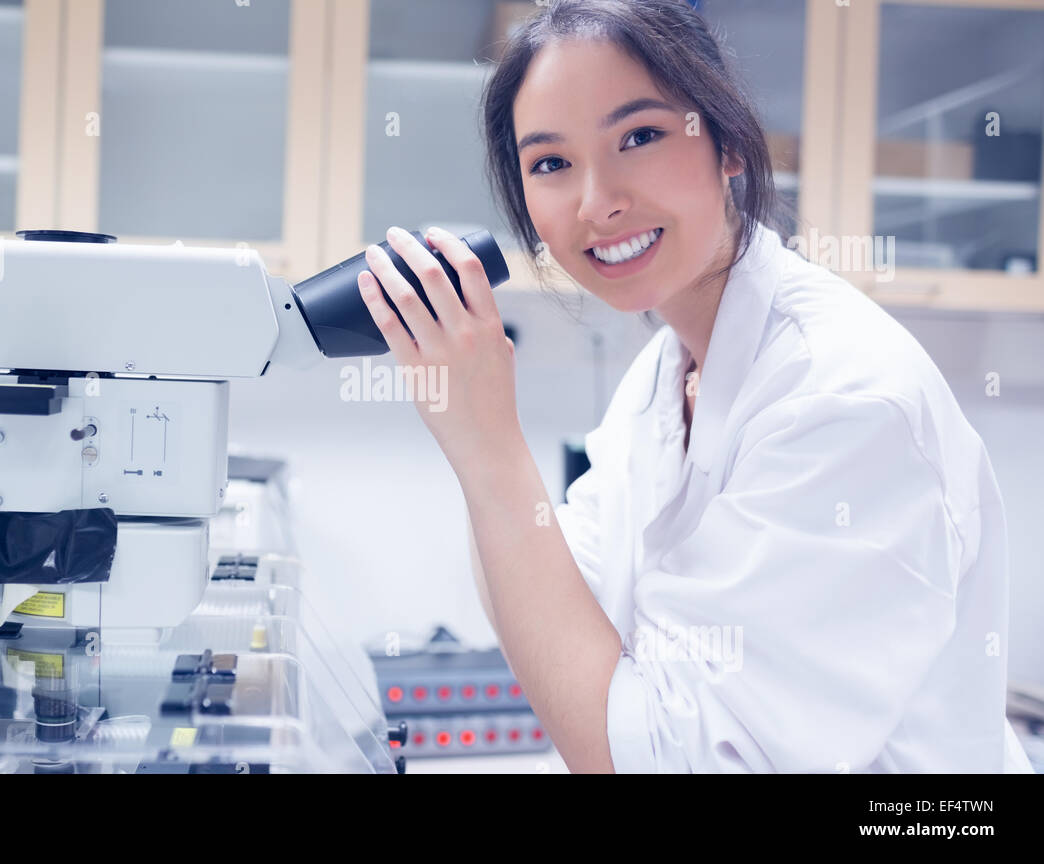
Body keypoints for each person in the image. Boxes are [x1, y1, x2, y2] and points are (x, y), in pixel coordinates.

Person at [355, 0, 1032, 772]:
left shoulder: (843, 400)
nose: (596, 201)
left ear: (728, 143)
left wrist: (489, 446)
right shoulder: (664, 374)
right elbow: (555, 598)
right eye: (550, 162)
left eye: (639, 136)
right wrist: (471, 428)